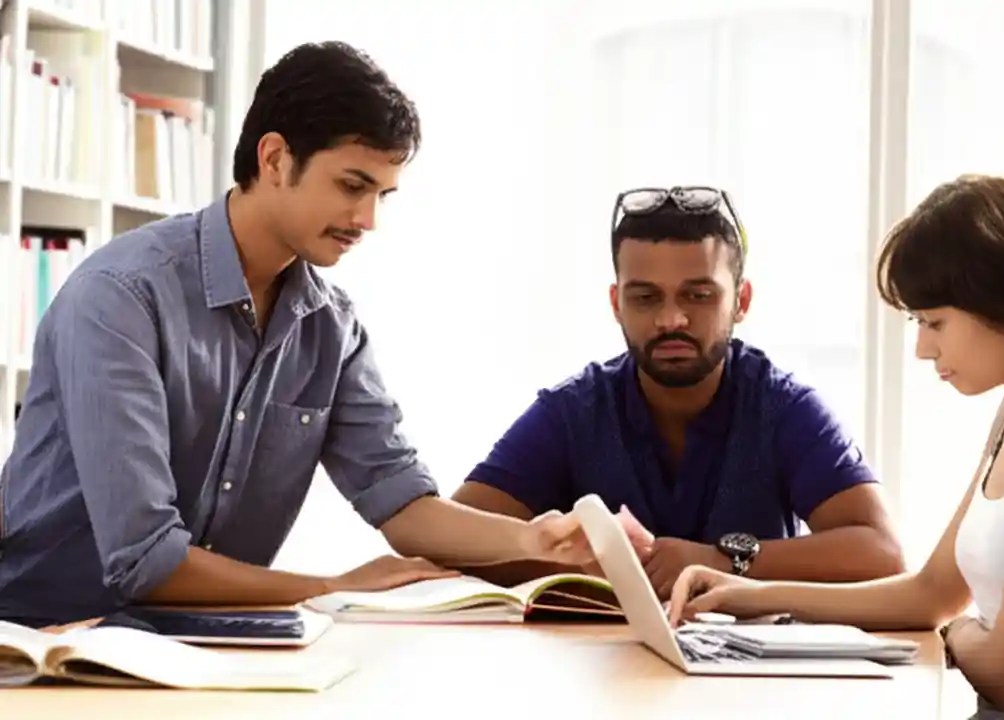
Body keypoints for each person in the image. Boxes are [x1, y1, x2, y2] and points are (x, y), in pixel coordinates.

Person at [0, 41, 588, 627]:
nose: (367, 220)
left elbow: (400, 500)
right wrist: (333, 588)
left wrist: (541, 542)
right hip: (40, 646)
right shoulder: (121, 296)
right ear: (276, 159)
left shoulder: (332, 327)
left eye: (381, 195)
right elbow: (145, 560)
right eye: (351, 186)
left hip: (201, 649)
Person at [666, 175, 1004, 719]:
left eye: (934, 322)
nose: (922, 349)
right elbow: (931, 593)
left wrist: (954, 630)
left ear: (1003, 303)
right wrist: (745, 592)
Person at [452, 186, 904, 599]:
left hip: (758, 677)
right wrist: (582, 564)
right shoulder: (572, 411)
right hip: (599, 674)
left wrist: (716, 560)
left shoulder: (785, 408)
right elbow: (457, 538)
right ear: (616, 304)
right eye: (646, 298)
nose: (671, 320)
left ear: (741, 301)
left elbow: (883, 554)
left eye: (699, 295)